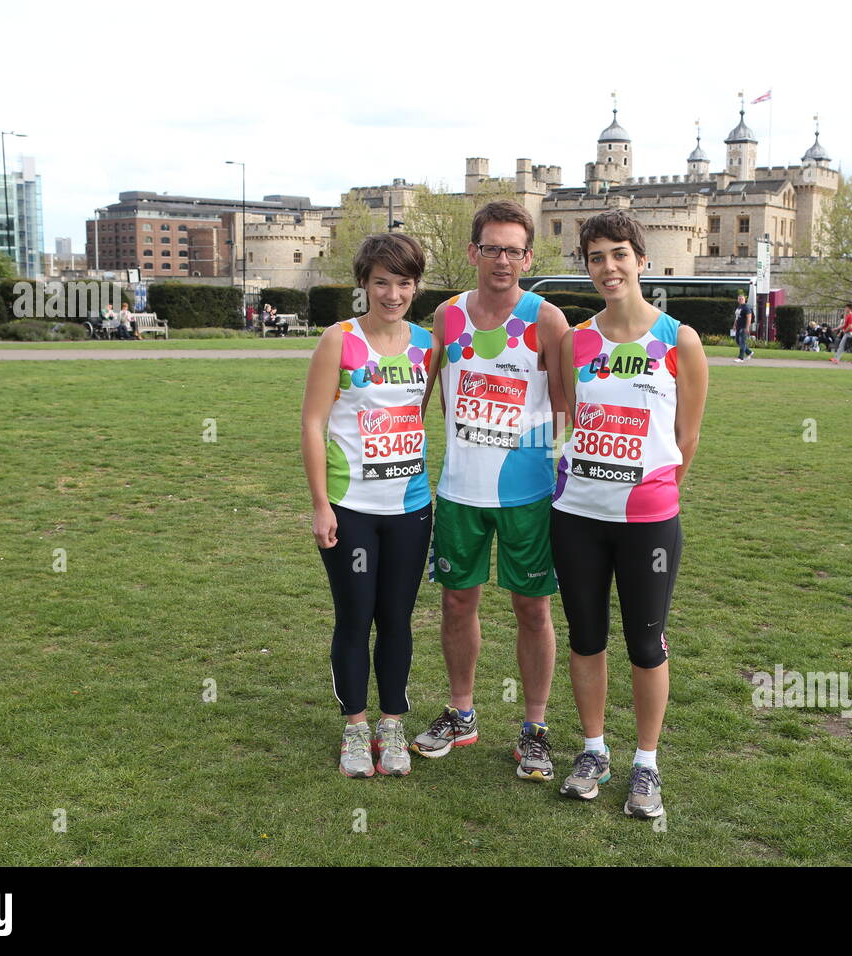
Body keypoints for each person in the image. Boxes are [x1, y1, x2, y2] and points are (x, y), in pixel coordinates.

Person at [552, 210, 707, 818]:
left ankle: (646, 764)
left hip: (649, 520)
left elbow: (686, 438)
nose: (608, 267)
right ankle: (593, 750)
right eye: (596, 257)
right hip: (578, 515)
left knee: (646, 643)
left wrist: (656, 490)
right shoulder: (577, 341)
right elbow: (565, 422)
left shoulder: (679, 340)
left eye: (619, 254)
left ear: (642, 259)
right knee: (587, 637)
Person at [412, 200, 569, 782]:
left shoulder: (547, 319)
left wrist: (550, 465)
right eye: (491, 248)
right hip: (459, 490)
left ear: (528, 256)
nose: (502, 259)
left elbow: (563, 406)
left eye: (513, 249)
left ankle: (533, 729)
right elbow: (422, 396)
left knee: (532, 608)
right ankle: (461, 713)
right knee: (457, 602)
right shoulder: (447, 317)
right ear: (473, 252)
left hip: (526, 493)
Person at [300, 233, 433, 778]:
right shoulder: (340, 339)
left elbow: (416, 413)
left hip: (410, 507)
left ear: (415, 286)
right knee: (355, 618)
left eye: (403, 282)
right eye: (382, 281)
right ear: (364, 283)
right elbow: (312, 422)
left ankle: (392, 723)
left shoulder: (428, 343)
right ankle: (356, 728)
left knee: (397, 620)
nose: (393, 293)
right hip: (349, 507)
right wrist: (319, 505)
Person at [731, 291, 754, 362]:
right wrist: (734, 325)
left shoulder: (746, 307)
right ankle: (749, 352)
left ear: (745, 299)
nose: (740, 300)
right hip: (738, 326)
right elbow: (737, 317)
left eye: (742, 299)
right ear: (737, 300)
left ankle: (741, 358)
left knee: (742, 342)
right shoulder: (739, 307)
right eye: (739, 299)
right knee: (738, 341)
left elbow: (749, 318)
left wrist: (747, 327)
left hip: (744, 327)